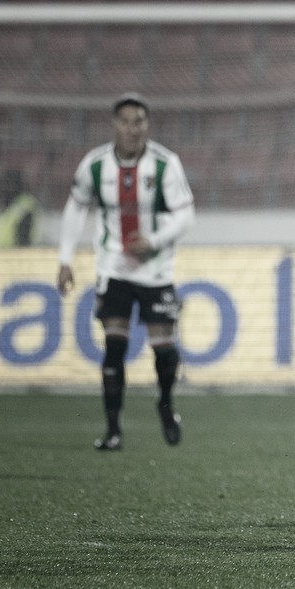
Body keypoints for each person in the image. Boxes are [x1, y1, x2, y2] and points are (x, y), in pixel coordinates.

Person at [57, 93, 195, 451]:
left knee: (165, 351)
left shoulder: (165, 164)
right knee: (114, 348)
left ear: (147, 125)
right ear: (114, 125)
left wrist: (153, 240)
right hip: (113, 268)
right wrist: (65, 259)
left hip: (156, 270)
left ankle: (165, 404)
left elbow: (185, 215)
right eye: (126, 122)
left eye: (139, 122)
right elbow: (76, 207)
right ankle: (113, 430)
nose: (133, 129)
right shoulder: (95, 165)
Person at [0, 169, 40, 247]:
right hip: (2, 251)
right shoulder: (9, 205)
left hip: (14, 252)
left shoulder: (25, 206)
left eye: (7, 184)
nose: (4, 188)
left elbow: (24, 239)